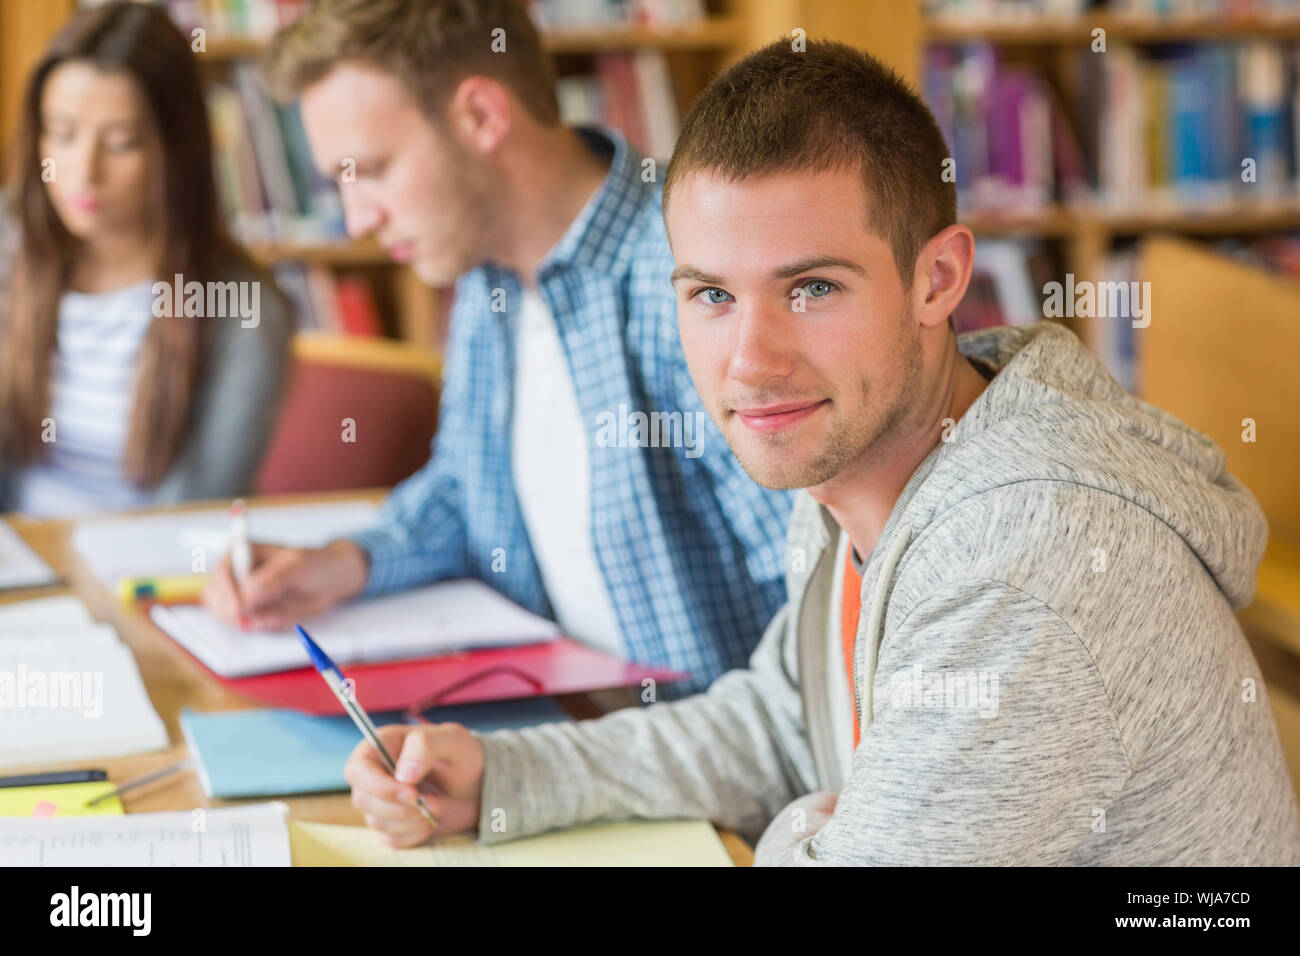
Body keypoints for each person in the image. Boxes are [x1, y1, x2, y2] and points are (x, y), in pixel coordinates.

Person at [342, 39, 1300, 865]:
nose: (752, 363)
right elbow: (776, 718)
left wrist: (805, 832)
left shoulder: (1022, 563)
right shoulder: (862, 463)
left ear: (939, 278)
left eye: (811, 289)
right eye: (711, 295)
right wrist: (508, 775)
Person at [200, 0, 793, 696]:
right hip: (563, 716)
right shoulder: (487, 279)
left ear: (482, 116)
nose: (359, 219)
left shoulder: (695, 275)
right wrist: (340, 564)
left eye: (375, 170)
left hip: (704, 764)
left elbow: (812, 585)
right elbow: (468, 487)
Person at [0, 1, 292, 516]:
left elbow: (188, 516)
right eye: (61, 134)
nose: (82, 172)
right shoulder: (10, 250)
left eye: (121, 143)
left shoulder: (245, 309)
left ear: (175, 148)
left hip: (141, 575)